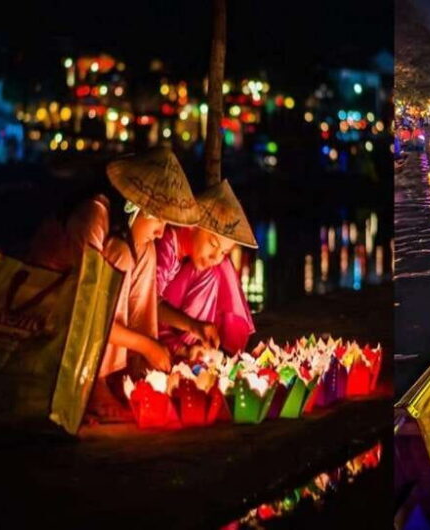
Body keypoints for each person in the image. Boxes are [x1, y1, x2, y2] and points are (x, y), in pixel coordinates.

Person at [29, 146, 202, 418]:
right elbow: (89, 313)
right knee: (122, 254)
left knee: (144, 250)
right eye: (160, 221)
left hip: (86, 316)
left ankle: (136, 368)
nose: (161, 233)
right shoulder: (93, 216)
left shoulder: (132, 236)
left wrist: (152, 346)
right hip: (48, 309)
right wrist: (147, 345)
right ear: (135, 206)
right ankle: (95, 380)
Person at [156, 179, 258, 360]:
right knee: (209, 272)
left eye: (224, 252)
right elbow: (149, 304)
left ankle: (197, 349)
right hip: (150, 322)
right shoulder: (167, 243)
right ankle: (187, 350)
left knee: (216, 270)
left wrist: (196, 327)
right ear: (193, 226)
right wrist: (194, 325)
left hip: (171, 324)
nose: (215, 257)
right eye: (213, 244)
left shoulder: (189, 258)